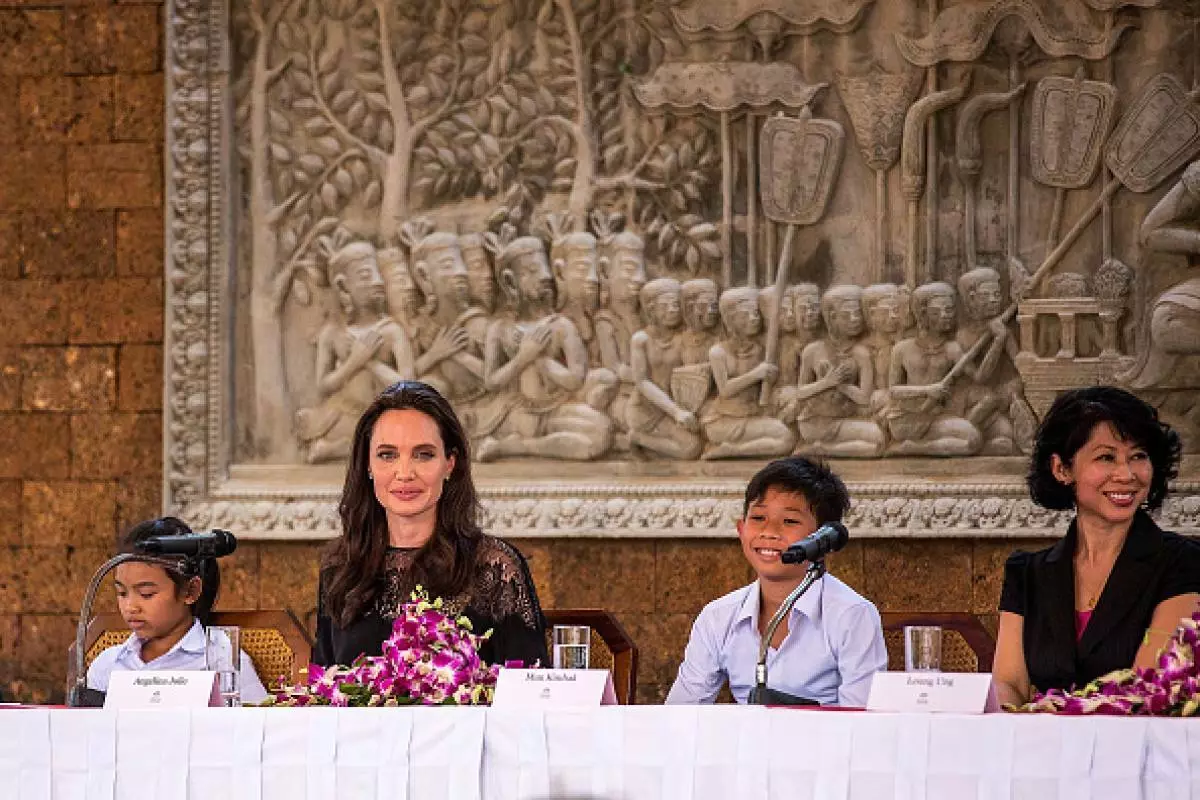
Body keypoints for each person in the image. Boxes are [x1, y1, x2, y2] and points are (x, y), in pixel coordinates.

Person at [313, 380, 549, 668]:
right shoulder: (341, 567)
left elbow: (531, 694)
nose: (404, 473)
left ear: (450, 464)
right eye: (387, 455)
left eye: (423, 454)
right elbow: (322, 692)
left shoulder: (495, 567)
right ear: (367, 465)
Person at [993, 386, 1200, 707]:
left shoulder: (1182, 563)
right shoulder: (1026, 573)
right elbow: (1008, 684)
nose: (1126, 474)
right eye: (1106, 457)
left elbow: (1145, 689)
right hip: (1044, 750)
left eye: (1138, 456)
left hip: (1138, 751)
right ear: (1062, 469)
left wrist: (1046, 714)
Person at [666, 457, 887, 706]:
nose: (769, 532)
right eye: (758, 518)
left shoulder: (852, 615)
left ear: (825, 538)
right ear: (741, 529)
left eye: (790, 521)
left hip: (824, 744)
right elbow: (681, 713)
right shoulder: (718, 617)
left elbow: (863, 722)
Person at [85, 517, 268, 703]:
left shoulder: (222, 660)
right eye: (122, 593)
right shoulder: (108, 664)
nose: (130, 606)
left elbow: (254, 726)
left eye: (146, 594)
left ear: (190, 591)